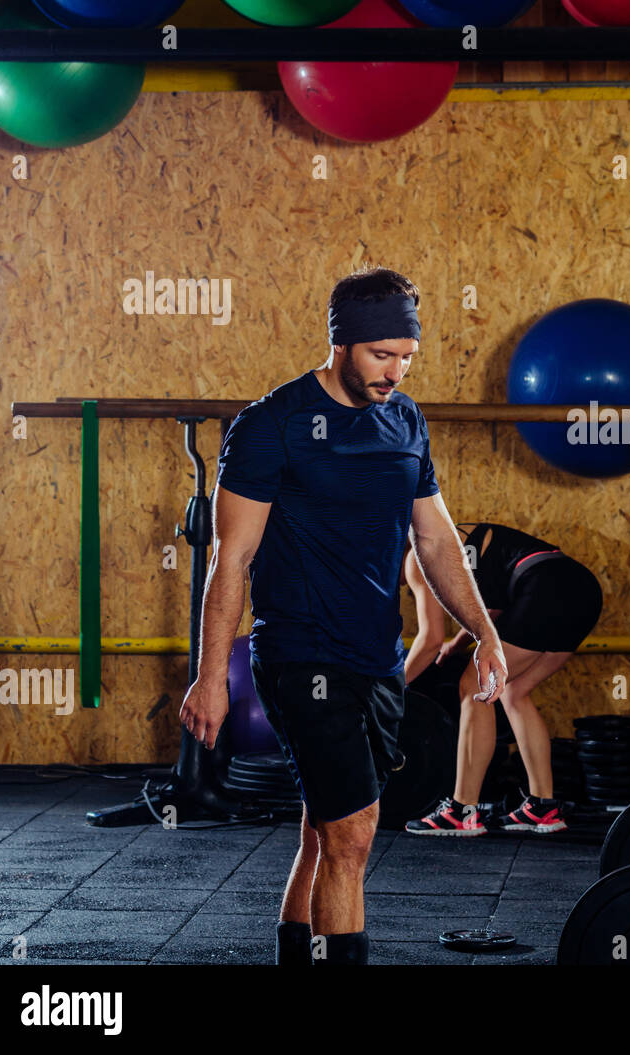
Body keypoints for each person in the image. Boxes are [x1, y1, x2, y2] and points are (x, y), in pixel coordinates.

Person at [178, 265, 508, 967]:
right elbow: (229, 560)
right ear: (342, 344)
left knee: (323, 832)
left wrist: (486, 630)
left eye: (407, 356)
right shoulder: (274, 426)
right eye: (381, 355)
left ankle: (294, 954)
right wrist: (210, 677)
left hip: (376, 656)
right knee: (354, 834)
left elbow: (438, 538)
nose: (395, 371)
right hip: (302, 654)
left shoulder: (406, 419)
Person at [402, 522, 603, 834]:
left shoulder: (418, 556)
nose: (400, 586)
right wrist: (455, 648)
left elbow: (429, 640)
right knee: (513, 691)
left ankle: (462, 811)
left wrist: (390, 688)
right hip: (580, 589)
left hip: (544, 588)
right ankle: (543, 808)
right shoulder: (459, 542)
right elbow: (492, 612)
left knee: (476, 687)